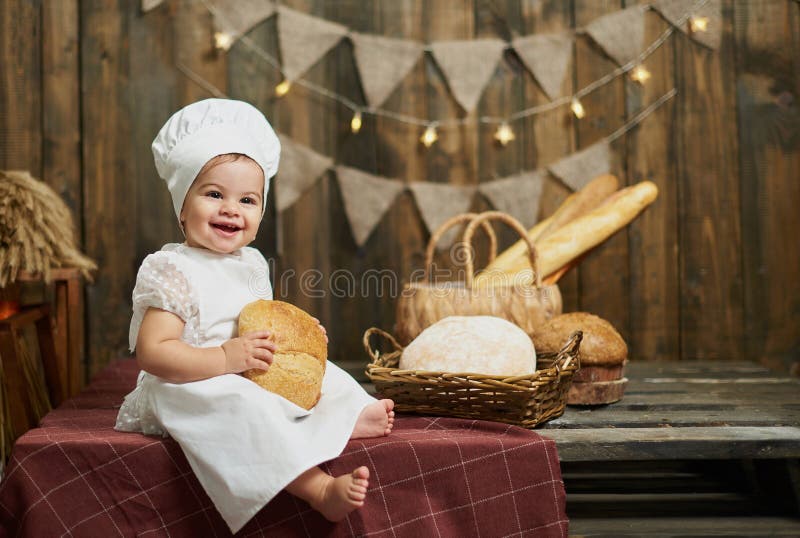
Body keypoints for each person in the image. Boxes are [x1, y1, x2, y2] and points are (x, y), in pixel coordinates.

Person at [115, 98, 394, 533]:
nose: (231, 209)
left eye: (248, 199)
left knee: (327, 373)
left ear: (261, 212)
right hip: (192, 385)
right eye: (213, 194)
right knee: (242, 404)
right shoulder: (173, 268)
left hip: (244, 368)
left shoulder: (252, 263)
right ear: (181, 207)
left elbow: (255, 322)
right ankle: (317, 489)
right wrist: (226, 360)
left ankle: (344, 418)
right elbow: (154, 353)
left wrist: (297, 334)